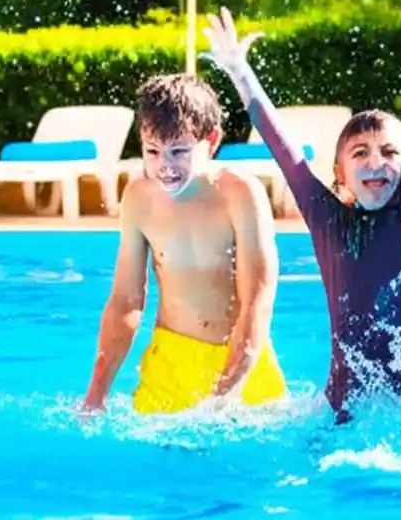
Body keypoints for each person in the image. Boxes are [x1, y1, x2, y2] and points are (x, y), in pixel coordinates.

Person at [203, 0, 401, 423]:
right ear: (339, 174)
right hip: (342, 397)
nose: (376, 162)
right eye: (360, 153)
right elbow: (285, 152)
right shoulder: (327, 222)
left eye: (388, 152)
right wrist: (239, 71)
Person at [81, 74, 287, 415]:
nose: (165, 166)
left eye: (179, 151)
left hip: (240, 359)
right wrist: (96, 394)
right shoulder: (138, 198)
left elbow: (258, 301)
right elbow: (125, 302)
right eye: (153, 151)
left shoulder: (239, 195)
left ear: (212, 140)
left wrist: (226, 393)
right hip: (170, 363)